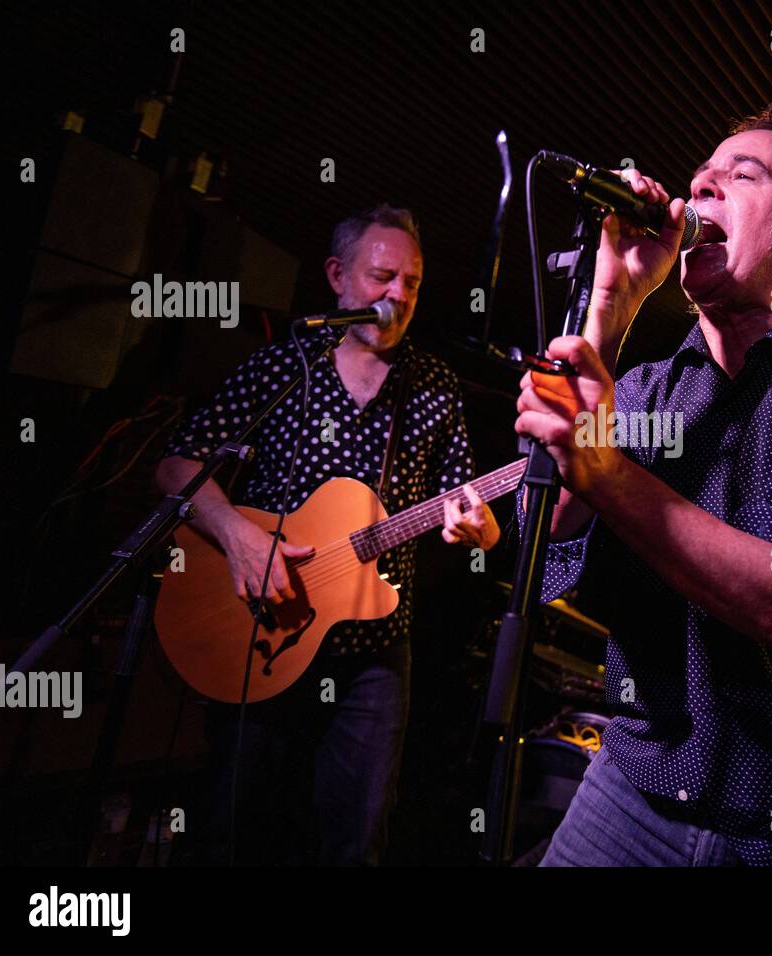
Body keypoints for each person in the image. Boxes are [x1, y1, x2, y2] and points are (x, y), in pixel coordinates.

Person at [514, 101, 772, 866]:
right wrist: (611, 307)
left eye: (741, 177)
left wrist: (610, 473)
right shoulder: (641, 390)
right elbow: (543, 540)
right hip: (640, 784)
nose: (702, 189)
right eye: (700, 179)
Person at [156, 203, 500, 864]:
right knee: (229, 828)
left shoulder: (434, 384)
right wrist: (238, 536)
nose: (397, 295)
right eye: (382, 276)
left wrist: (476, 529)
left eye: (413, 283)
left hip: (374, 652)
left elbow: (471, 510)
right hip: (263, 630)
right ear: (338, 276)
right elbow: (178, 464)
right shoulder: (286, 365)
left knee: (358, 839)